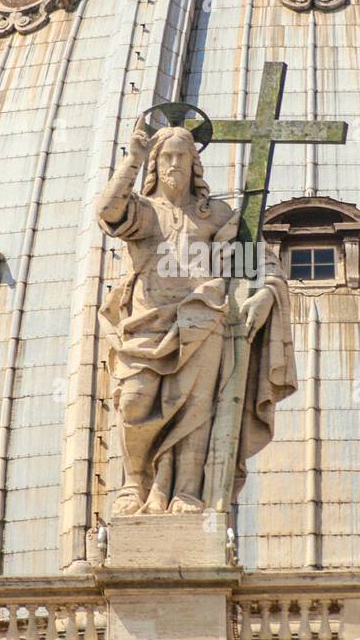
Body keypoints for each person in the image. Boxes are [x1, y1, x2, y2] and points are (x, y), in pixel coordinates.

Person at [97, 123, 296, 517]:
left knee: (195, 409)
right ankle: (135, 482)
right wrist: (132, 159)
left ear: (194, 164)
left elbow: (263, 262)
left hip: (204, 321)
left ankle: (186, 491)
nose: (174, 164)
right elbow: (108, 211)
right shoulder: (145, 211)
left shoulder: (217, 214)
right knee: (134, 402)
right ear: (156, 164)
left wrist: (266, 295)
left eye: (181, 157)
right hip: (146, 323)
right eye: (166, 157)